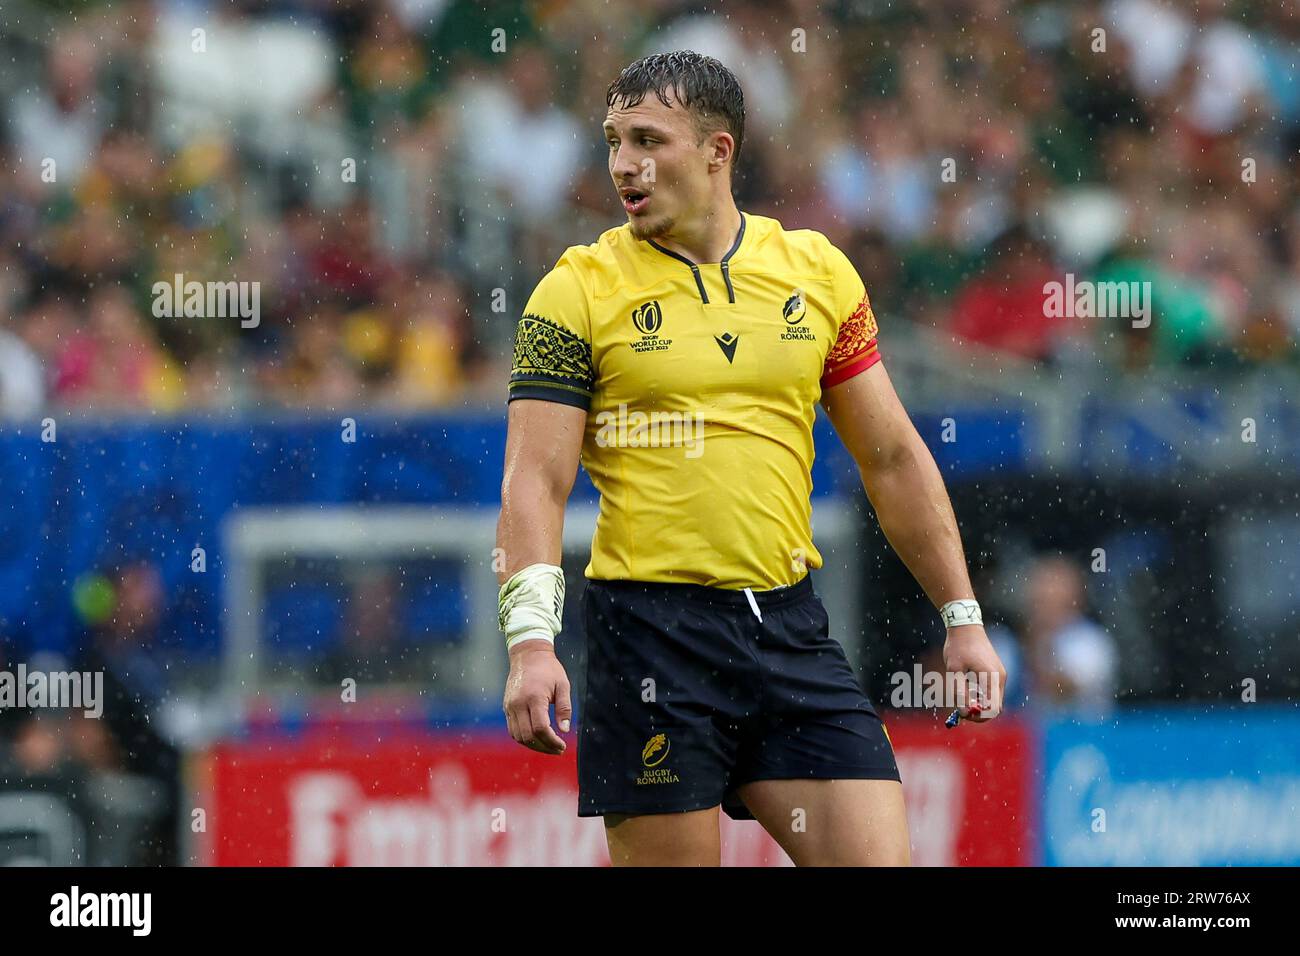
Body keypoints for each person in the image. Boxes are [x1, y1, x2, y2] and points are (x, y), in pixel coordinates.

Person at [495, 51, 1005, 867]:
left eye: (649, 139)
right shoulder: (576, 290)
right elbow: (535, 479)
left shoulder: (817, 273)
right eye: (614, 139)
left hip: (788, 630)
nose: (624, 163)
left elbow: (893, 458)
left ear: (717, 151)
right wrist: (531, 644)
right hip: (651, 639)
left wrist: (964, 619)